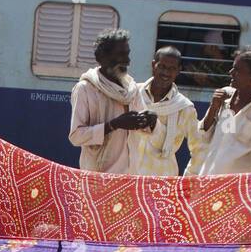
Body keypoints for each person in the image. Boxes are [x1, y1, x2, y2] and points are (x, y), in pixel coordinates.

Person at [185, 46, 251, 176]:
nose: (231, 72)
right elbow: (202, 138)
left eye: (237, 70)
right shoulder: (225, 96)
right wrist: (213, 108)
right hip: (208, 180)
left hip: (238, 191)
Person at [68, 28, 151, 174]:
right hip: (98, 176)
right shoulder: (85, 89)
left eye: (127, 54)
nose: (127, 60)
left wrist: (149, 120)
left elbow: (144, 129)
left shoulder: (131, 89)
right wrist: (114, 125)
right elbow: (76, 136)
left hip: (130, 176)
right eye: (121, 54)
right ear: (102, 57)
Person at [132, 46, 201, 177]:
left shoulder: (184, 107)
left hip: (162, 178)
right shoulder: (134, 94)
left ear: (179, 71)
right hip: (128, 174)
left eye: (172, 69)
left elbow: (198, 147)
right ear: (153, 65)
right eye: (162, 66)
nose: (166, 73)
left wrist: (189, 178)